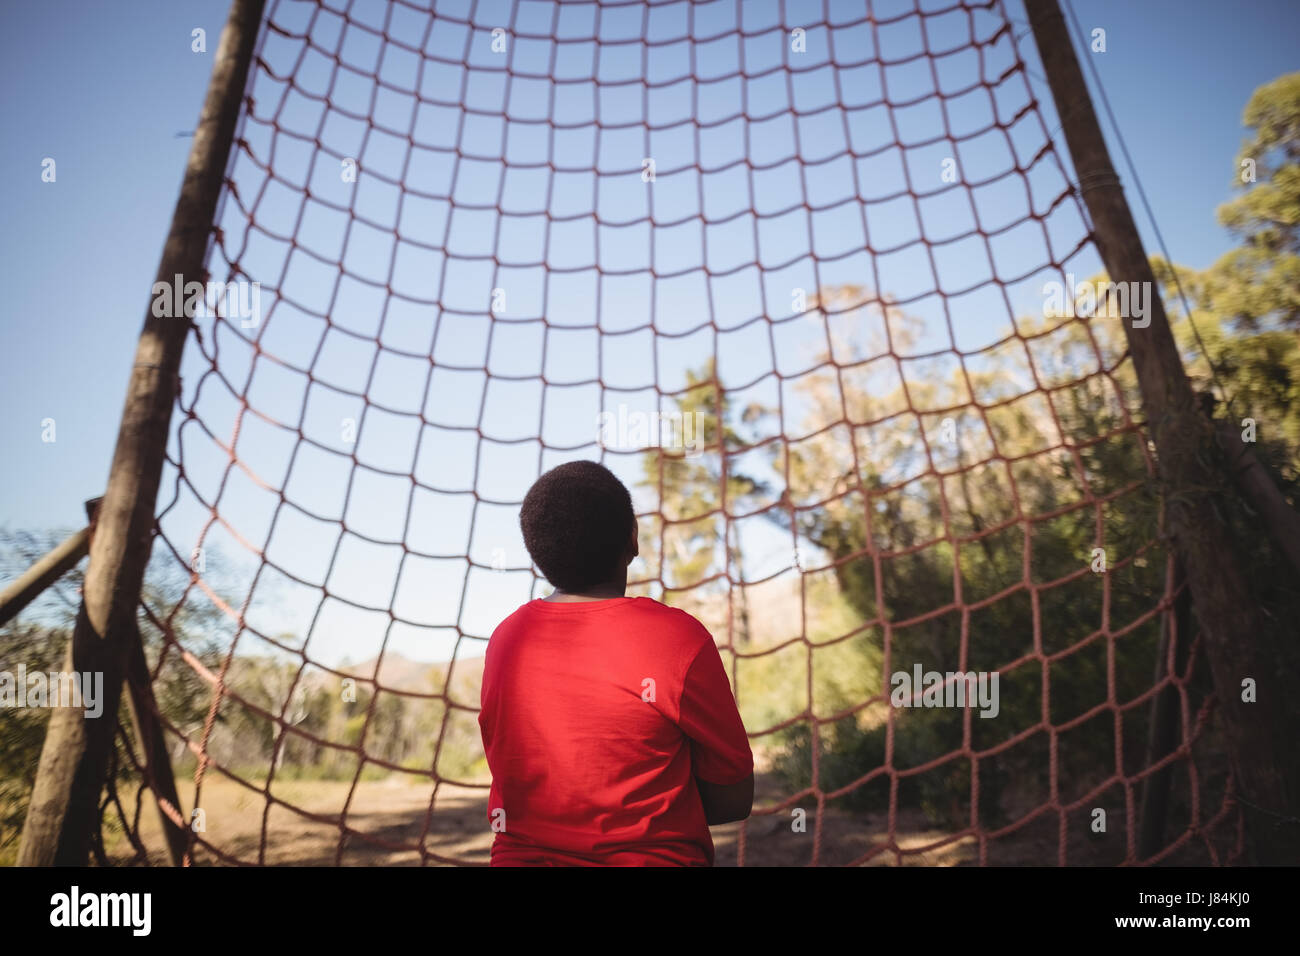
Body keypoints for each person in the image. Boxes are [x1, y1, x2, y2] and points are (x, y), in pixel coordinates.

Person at [478, 459, 754, 866]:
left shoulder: (506, 640)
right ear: (633, 538)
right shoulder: (678, 639)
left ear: (536, 554)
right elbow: (733, 799)